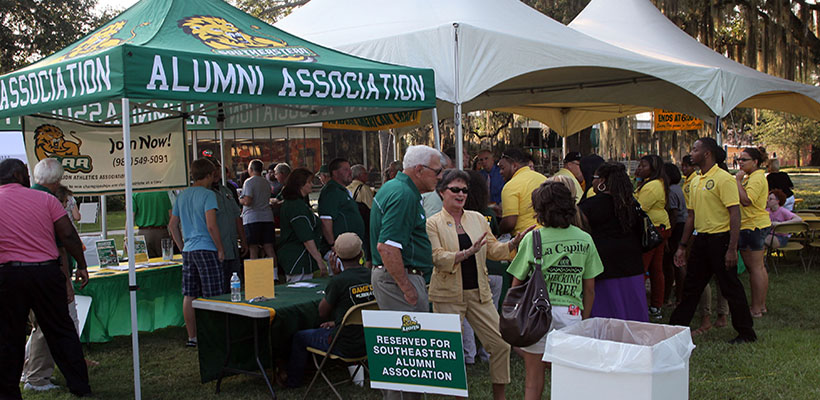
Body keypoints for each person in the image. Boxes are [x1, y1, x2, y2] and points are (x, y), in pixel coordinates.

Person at [426, 170, 531, 400]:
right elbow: (437, 257)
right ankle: (458, 396)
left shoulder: (478, 218)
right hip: (448, 295)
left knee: (501, 344)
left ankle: (499, 396)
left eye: (464, 190)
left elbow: (493, 250)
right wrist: (466, 253)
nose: (461, 193)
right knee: (452, 353)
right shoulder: (433, 223)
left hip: (478, 293)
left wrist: (514, 242)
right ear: (442, 192)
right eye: (455, 189)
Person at [0, 159, 92, 398]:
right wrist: (81, 265)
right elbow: (69, 235)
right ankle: (80, 386)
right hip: (45, 272)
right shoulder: (47, 199)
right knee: (61, 330)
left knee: (10, 335)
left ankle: (8, 391)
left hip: (8, 274)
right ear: (20, 176)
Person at [507, 181, 602, 400]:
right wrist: (584, 319)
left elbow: (517, 282)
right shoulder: (584, 239)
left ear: (539, 210)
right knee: (569, 374)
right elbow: (589, 289)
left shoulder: (533, 238)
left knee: (533, 376)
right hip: (571, 313)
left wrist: (514, 311)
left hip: (536, 313)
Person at [370, 145, 443, 400]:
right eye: (437, 171)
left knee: (402, 353)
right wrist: (407, 288)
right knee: (408, 353)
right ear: (419, 170)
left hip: (396, 277)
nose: (440, 176)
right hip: (398, 279)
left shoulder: (395, 188)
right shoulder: (403, 194)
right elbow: (387, 246)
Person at [669, 137, 757, 344]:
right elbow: (691, 216)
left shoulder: (723, 178)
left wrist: (732, 248)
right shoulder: (696, 181)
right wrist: (682, 246)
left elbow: (735, 214)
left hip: (721, 240)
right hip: (701, 240)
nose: (691, 153)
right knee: (691, 286)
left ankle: (746, 332)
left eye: (695, 149)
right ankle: (675, 329)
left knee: (730, 287)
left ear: (707, 154)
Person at [285, 232, 374, 388]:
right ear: (360, 253)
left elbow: (322, 312)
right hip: (370, 341)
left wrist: (335, 277)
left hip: (344, 344)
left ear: (336, 256)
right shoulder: (372, 275)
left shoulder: (339, 281)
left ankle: (293, 382)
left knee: (299, 337)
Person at [579, 162, 647, 322]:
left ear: (602, 181)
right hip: (632, 262)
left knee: (606, 310)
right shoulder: (631, 204)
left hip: (603, 263)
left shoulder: (590, 205)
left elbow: (579, 228)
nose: (592, 181)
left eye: (594, 178)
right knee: (632, 308)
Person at [169, 159, 225, 348]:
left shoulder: (182, 196)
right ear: (208, 175)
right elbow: (211, 224)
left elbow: (172, 225)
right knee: (213, 293)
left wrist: (181, 245)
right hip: (206, 248)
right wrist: (220, 248)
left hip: (189, 250)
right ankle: (214, 334)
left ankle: (192, 336)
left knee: (189, 294)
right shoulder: (208, 195)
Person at [735, 148, 772, 318]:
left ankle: (756, 308)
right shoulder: (754, 177)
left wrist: (737, 181)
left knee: (755, 268)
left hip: (753, 226)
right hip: (754, 225)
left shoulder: (757, 178)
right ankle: (761, 305)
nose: (740, 163)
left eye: (744, 160)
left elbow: (746, 200)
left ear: (755, 161)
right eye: (739, 159)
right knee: (758, 268)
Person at [635, 154, 672, 320]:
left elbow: (639, 207)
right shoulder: (654, 183)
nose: (639, 168)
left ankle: (641, 304)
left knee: (644, 267)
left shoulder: (652, 187)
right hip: (660, 227)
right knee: (656, 269)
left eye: (643, 166)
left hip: (653, 229)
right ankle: (656, 305)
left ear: (653, 168)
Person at [278, 168, 328, 282]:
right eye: (309, 182)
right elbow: (306, 236)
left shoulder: (299, 203)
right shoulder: (296, 206)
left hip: (302, 259)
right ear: (300, 185)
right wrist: (319, 260)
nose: (311, 185)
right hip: (297, 259)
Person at [207, 159, 248, 290]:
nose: (217, 173)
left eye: (219, 169)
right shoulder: (206, 195)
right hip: (216, 250)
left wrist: (243, 240)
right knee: (220, 287)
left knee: (236, 285)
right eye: (214, 170)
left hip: (232, 248)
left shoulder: (227, 191)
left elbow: (237, 216)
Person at [318, 158, 367, 268]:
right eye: (345, 170)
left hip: (351, 251)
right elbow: (326, 221)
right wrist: (333, 245)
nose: (350, 172)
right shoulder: (331, 191)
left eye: (350, 169)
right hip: (340, 253)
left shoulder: (342, 191)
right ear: (335, 173)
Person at [498, 148, 547, 235]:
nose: (500, 172)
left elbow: (510, 223)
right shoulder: (543, 179)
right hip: (547, 234)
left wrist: (498, 229)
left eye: (502, 168)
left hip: (525, 238)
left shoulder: (510, 186)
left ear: (514, 166)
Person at [240, 159, 275, 259]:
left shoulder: (249, 182)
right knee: (269, 248)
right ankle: (275, 273)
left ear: (250, 169)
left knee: (253, 248)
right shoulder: (266, 183)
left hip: (252, 218)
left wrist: (239, 199)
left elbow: (247, 201)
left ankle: (255, 274)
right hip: (267, 217)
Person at [663, 163, 687, 306]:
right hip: (681, 226)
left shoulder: (671, 191)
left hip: (676, 227)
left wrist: (668, 233)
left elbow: (673, 213)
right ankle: (679, 295)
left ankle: (674, 296)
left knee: (672, 263)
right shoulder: (678, 188)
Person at [133, 190, 173, 258]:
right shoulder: (162, 192)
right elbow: (170, 215)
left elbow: (130, 217)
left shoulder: (136, 193)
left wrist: (126, 238)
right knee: (166, 261)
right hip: (162, 232)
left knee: (144, 263)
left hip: (143, 234)